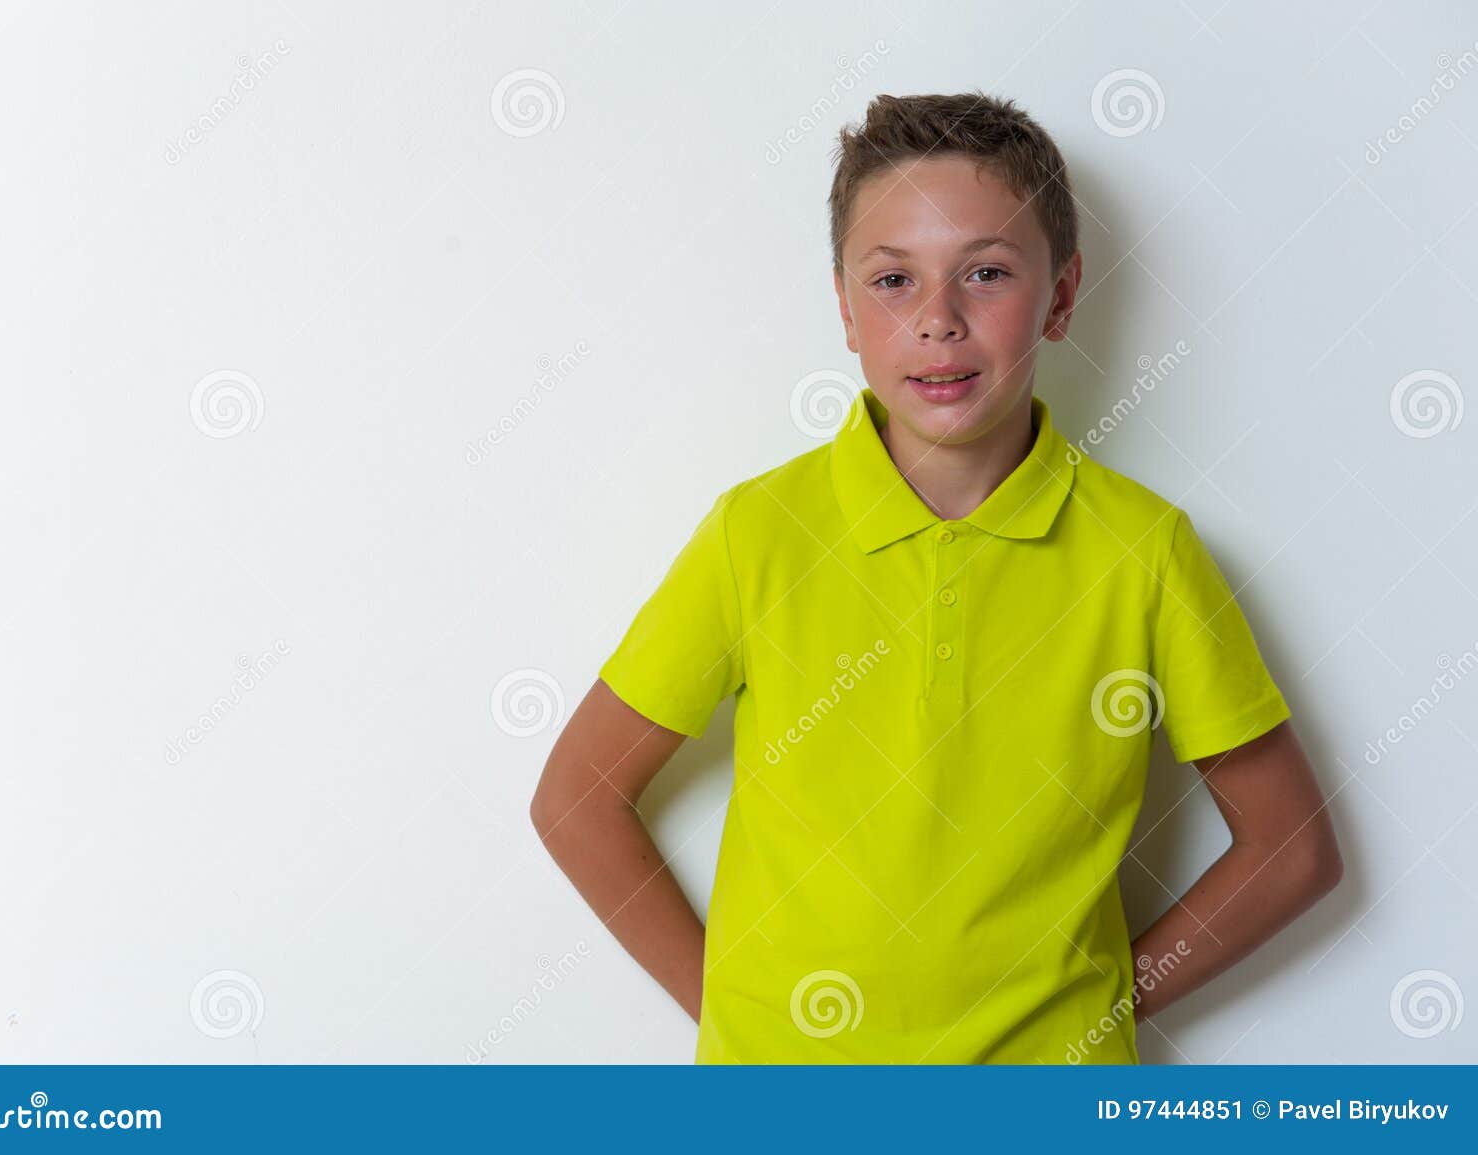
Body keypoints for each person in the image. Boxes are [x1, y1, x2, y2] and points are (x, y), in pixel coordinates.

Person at [530, 91, 1342, 1064]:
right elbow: (577, 798)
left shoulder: (1144, 551)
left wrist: (1105, 1013)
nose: (937, 321)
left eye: (986, 274)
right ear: (842, 307)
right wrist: (737, 1024)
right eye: (892, 281)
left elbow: (1289, 850)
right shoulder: (759, 534)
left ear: (1064, 295)